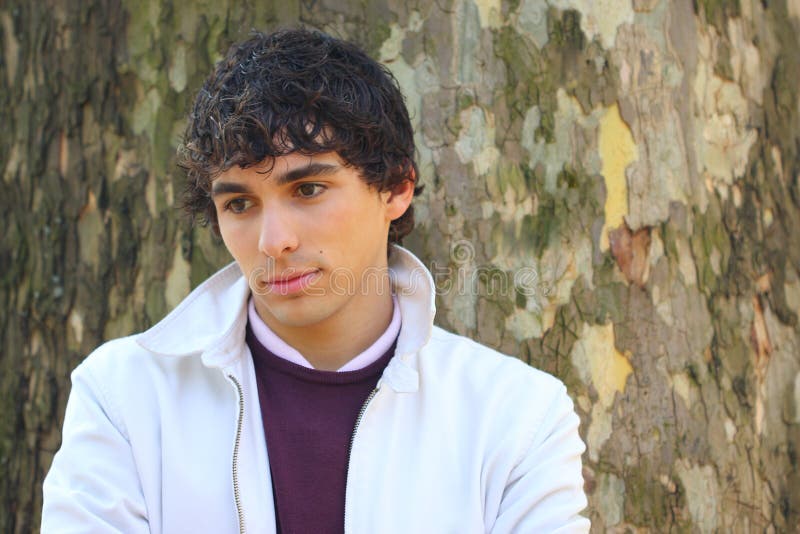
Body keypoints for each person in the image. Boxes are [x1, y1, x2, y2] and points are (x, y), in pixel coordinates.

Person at [42, 28, 589, 533]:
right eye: (239, 203)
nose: (272, 241)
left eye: (307, 190)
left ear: (396, 188)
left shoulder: (517, 417)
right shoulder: (125, 397)